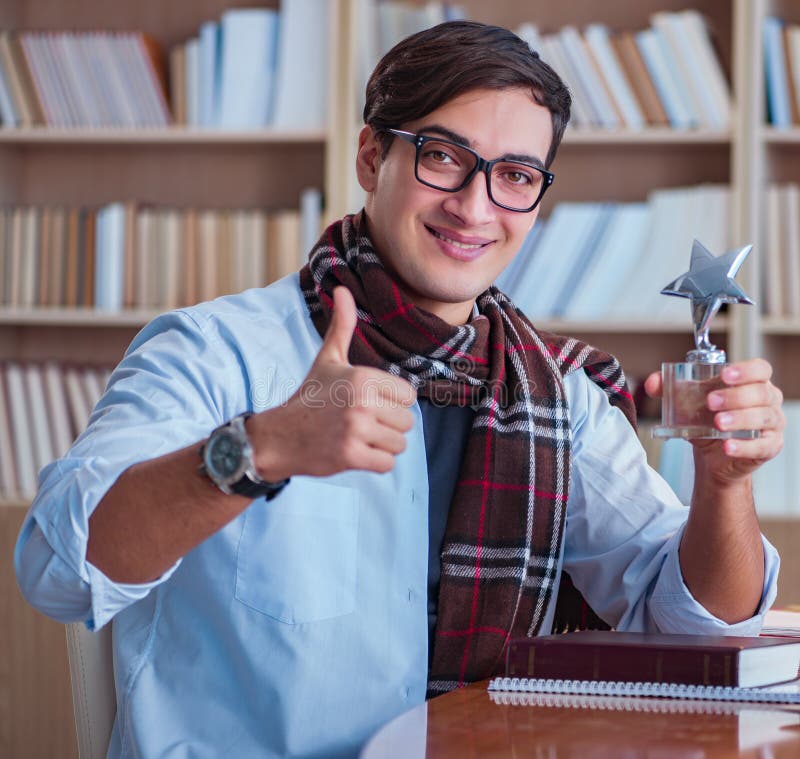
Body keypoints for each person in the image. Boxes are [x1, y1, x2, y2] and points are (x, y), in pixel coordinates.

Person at [15, 20, 783, 759]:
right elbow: (58, 568)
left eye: (514, 176)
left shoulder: (556, 398)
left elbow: (699, 625)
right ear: (370, 156)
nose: (475, 207)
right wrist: (260, 448)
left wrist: (725, 485)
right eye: (444, 157)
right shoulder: (216, 350)